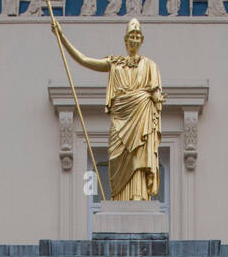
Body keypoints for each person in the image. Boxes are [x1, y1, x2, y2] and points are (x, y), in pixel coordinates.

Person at [50, 16, 164, 201]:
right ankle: (119, 198)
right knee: (116, 157)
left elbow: (156, 92)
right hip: (120, 118)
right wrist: (62, 38)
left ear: (141, 40)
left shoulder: (150, 65)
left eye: (137, 36)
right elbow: (84, 60)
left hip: (140, 117)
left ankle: (138, 195)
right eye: (131, 36)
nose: (134, 39)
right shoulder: (115, 63)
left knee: (139, 155)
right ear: (125, 40)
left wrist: (157, 98)